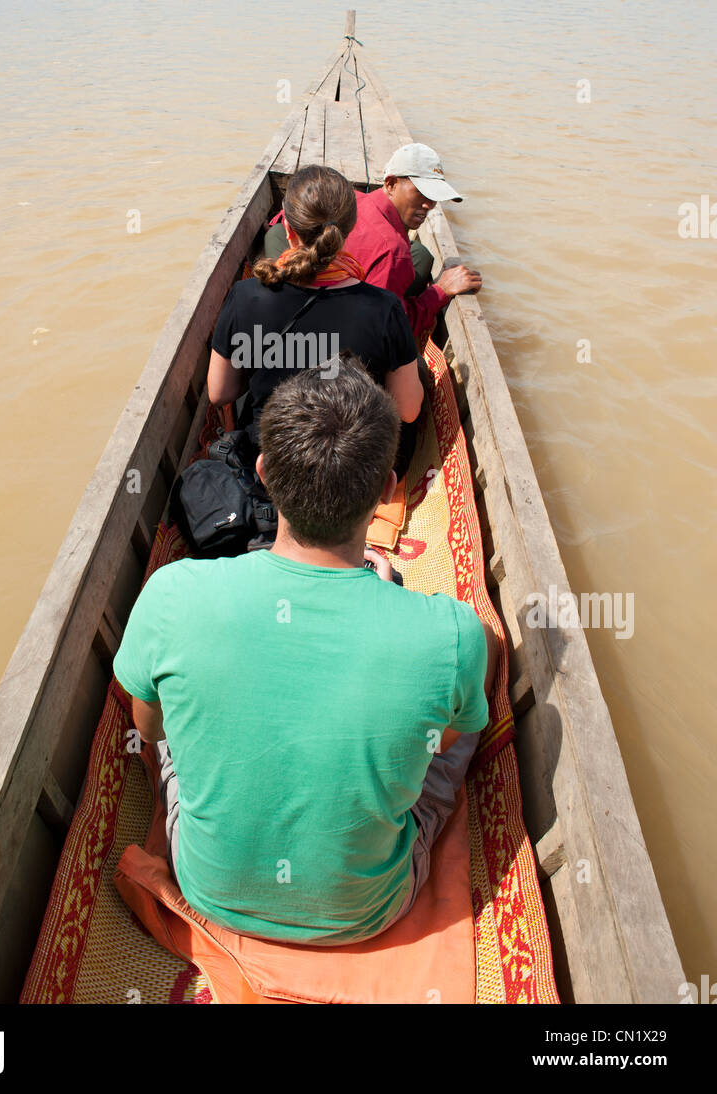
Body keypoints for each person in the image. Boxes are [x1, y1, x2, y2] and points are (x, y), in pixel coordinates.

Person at [113, 358, 498, 946]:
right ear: (388, 491)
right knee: (466, 702)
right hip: (367, 910)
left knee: (165, 720)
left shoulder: (173, 591)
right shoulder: (452, 632)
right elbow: (441, 743)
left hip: (207, 886)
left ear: (263, 473)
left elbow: (149, 729)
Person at [207, 164, 423, 452]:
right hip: (351, 470)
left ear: (287, 228)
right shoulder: (385, 308)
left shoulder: (246, 296)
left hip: (271, 460)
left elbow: (219, 392)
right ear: (350, 228)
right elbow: (408, 411)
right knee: (416, 369)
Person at [263, 143, 482, 340]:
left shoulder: (353, 198)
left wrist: (278, 221)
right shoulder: (393, 253)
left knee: (420, 255)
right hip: (338, 325)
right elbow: (391, 330)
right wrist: (439, 291)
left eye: (434, 197)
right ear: (390, 184)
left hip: (306, 278)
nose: (429, 205)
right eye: (421, 193)